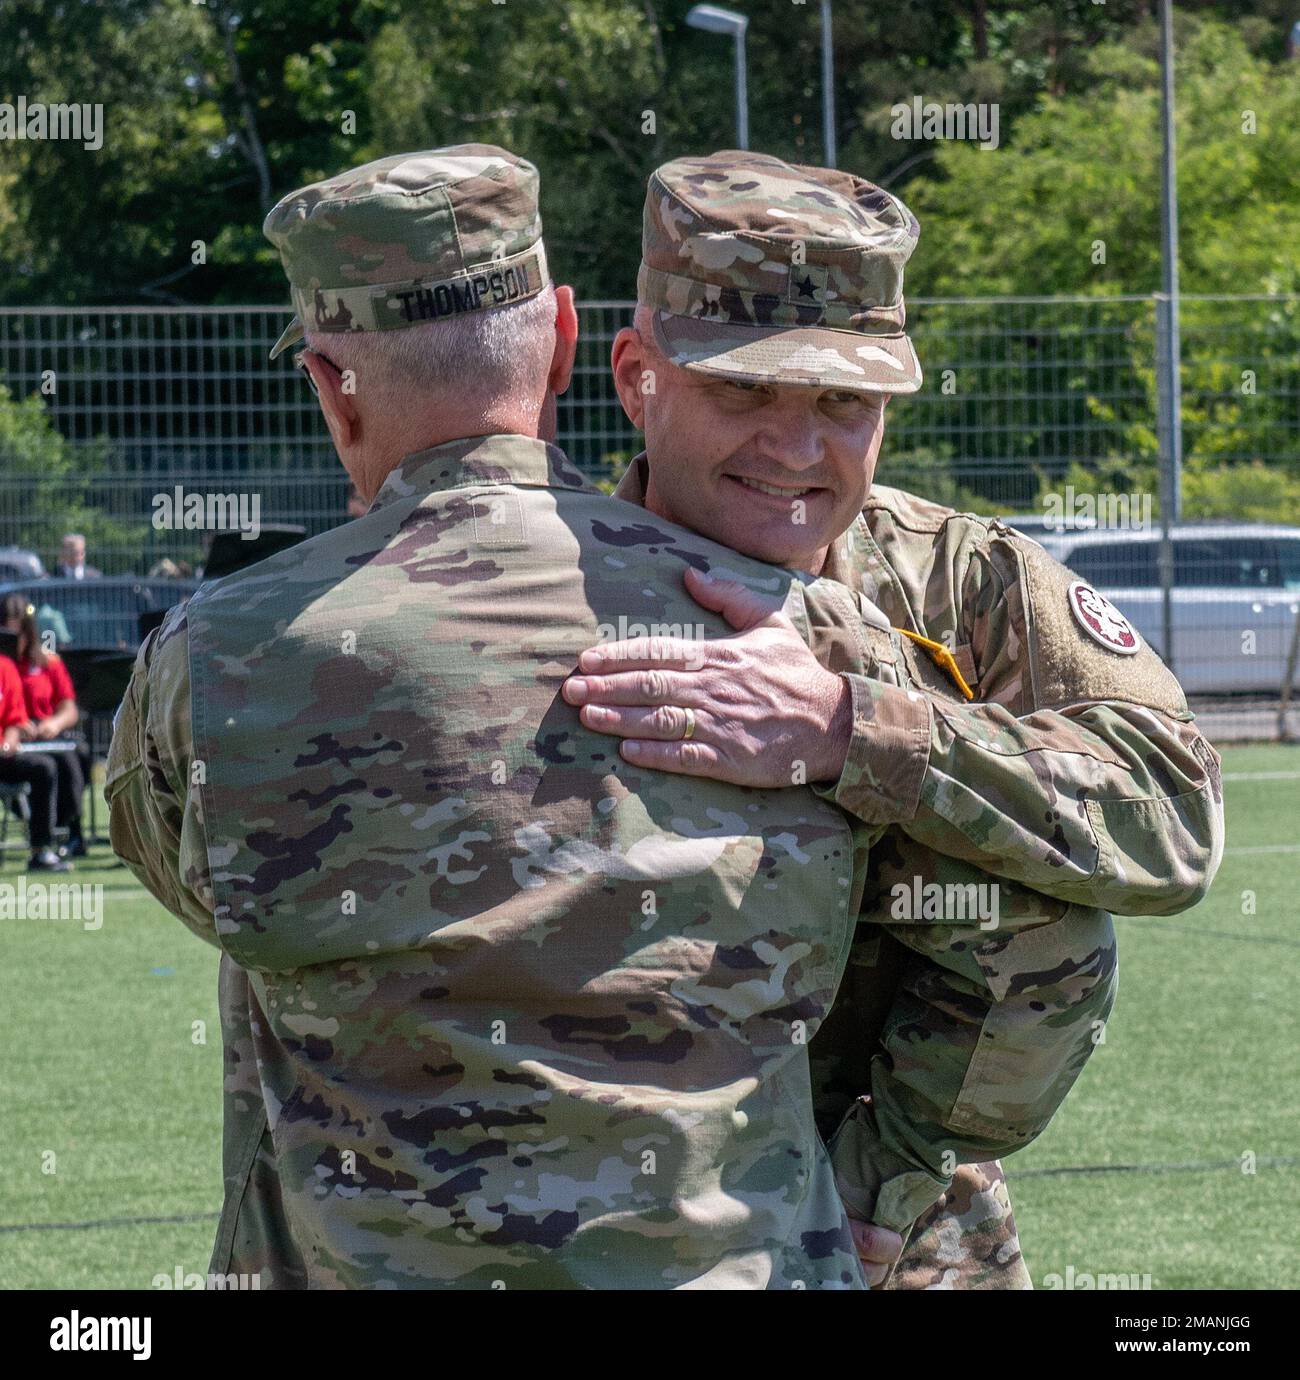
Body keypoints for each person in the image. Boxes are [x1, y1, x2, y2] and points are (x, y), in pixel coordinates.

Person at [108, 145, 908, 1290]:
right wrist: (894, 1172)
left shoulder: (216, 653)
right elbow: (1012, 944)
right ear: (572, 345)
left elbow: (181, 870)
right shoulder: (802, 636)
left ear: (332, 389)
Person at [565, 150, 1226, 1288]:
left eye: (844, 403)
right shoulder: (542, 593)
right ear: (637, 374)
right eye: (741, 391)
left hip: (903, 1235)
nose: (795, 448)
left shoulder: (959, 582)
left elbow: (1173, 818)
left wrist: (852, 729)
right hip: (612, 1227)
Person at [1, 595, 86, 857]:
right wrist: (16, 728)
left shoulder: (48, 662)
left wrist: (53, 722)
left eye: (20, 633)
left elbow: (69, 707)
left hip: (43, 732)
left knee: (74, 756)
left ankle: (70, 829)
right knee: (46, 766)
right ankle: (47, 837)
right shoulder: (5, 666)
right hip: (13, 737)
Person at [0, 653, 71, 873]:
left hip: (3, 755)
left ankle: (40, 851)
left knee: (45, 767)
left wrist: (11, 738)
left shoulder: (5, 666)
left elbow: (14, 717)